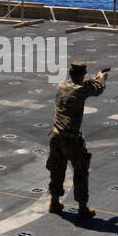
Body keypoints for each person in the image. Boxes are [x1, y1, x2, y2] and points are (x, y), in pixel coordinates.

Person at [46, 61, 107, 220]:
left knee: (57, 170)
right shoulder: (81, 90)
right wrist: (101, 78)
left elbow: (78, 86)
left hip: (55, 136)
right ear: (82, 74)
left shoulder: (61, 86)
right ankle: (82, 208)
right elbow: (98, 89)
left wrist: (91, 80)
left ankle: (54, 202)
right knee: (80, 172)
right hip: (71, 140)